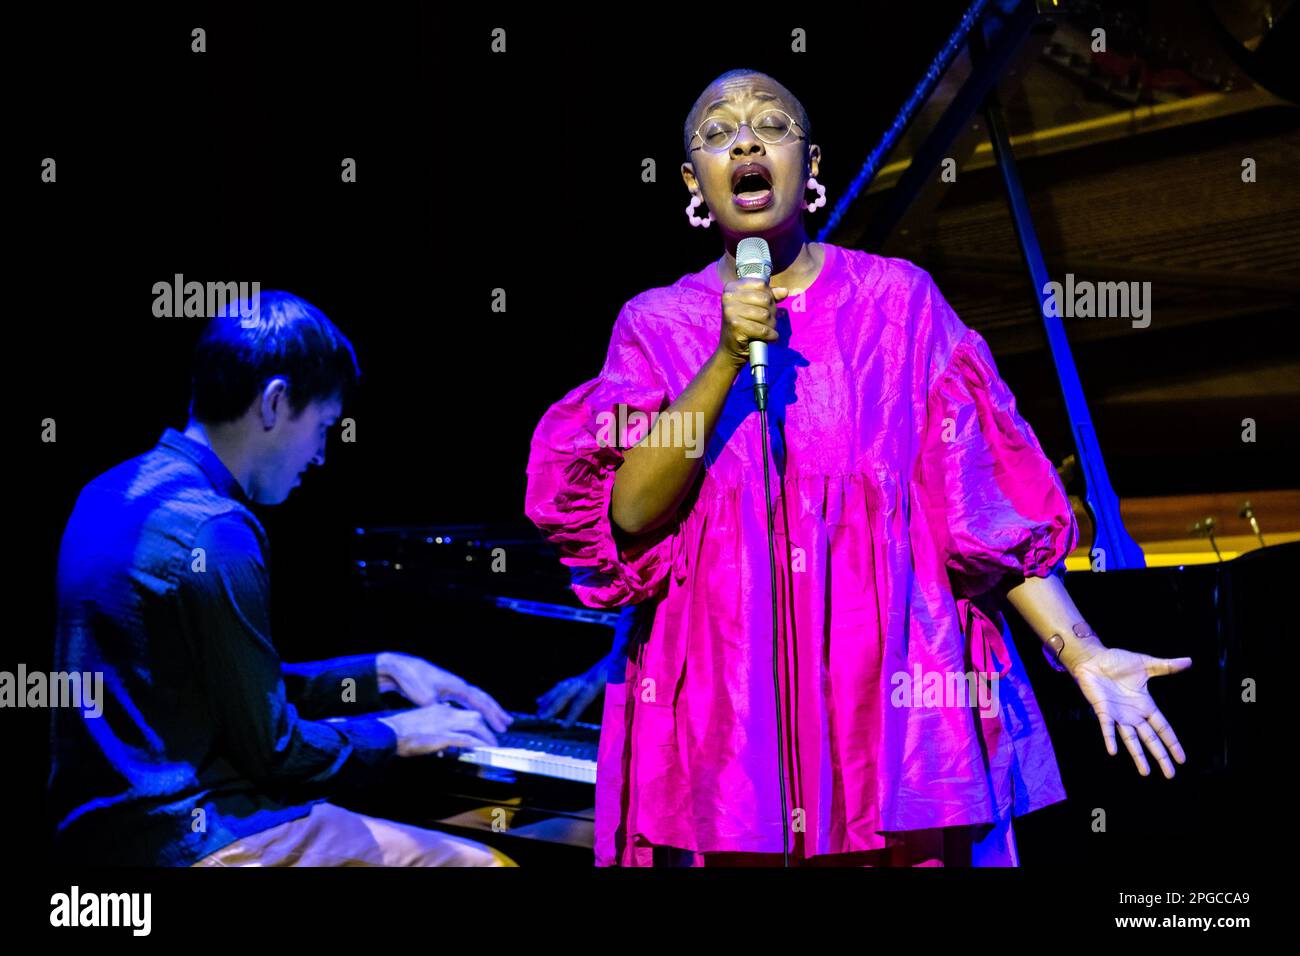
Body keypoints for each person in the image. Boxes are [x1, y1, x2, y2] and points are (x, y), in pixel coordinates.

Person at [525, 68, 1192, 867]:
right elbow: (629, 513)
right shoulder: (656, 321)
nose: (744, 137)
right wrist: (727, 356)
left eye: (771, 123)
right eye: (716, 132)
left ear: (810, 166)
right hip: (728, 711)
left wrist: (1080, 649)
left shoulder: (900, 302)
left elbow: (983, 512)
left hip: (889, 701)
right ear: (693, 180)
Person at [50, 290, 517, 866]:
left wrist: (380, 670)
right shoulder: (217, 530)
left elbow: (221, 692)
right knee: (487, 864)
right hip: (195, 841)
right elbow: (276, 751)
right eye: (323, 426)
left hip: (94, 839)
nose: (321, 456)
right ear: (274, 403)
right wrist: (398, 733)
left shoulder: (103, 493)